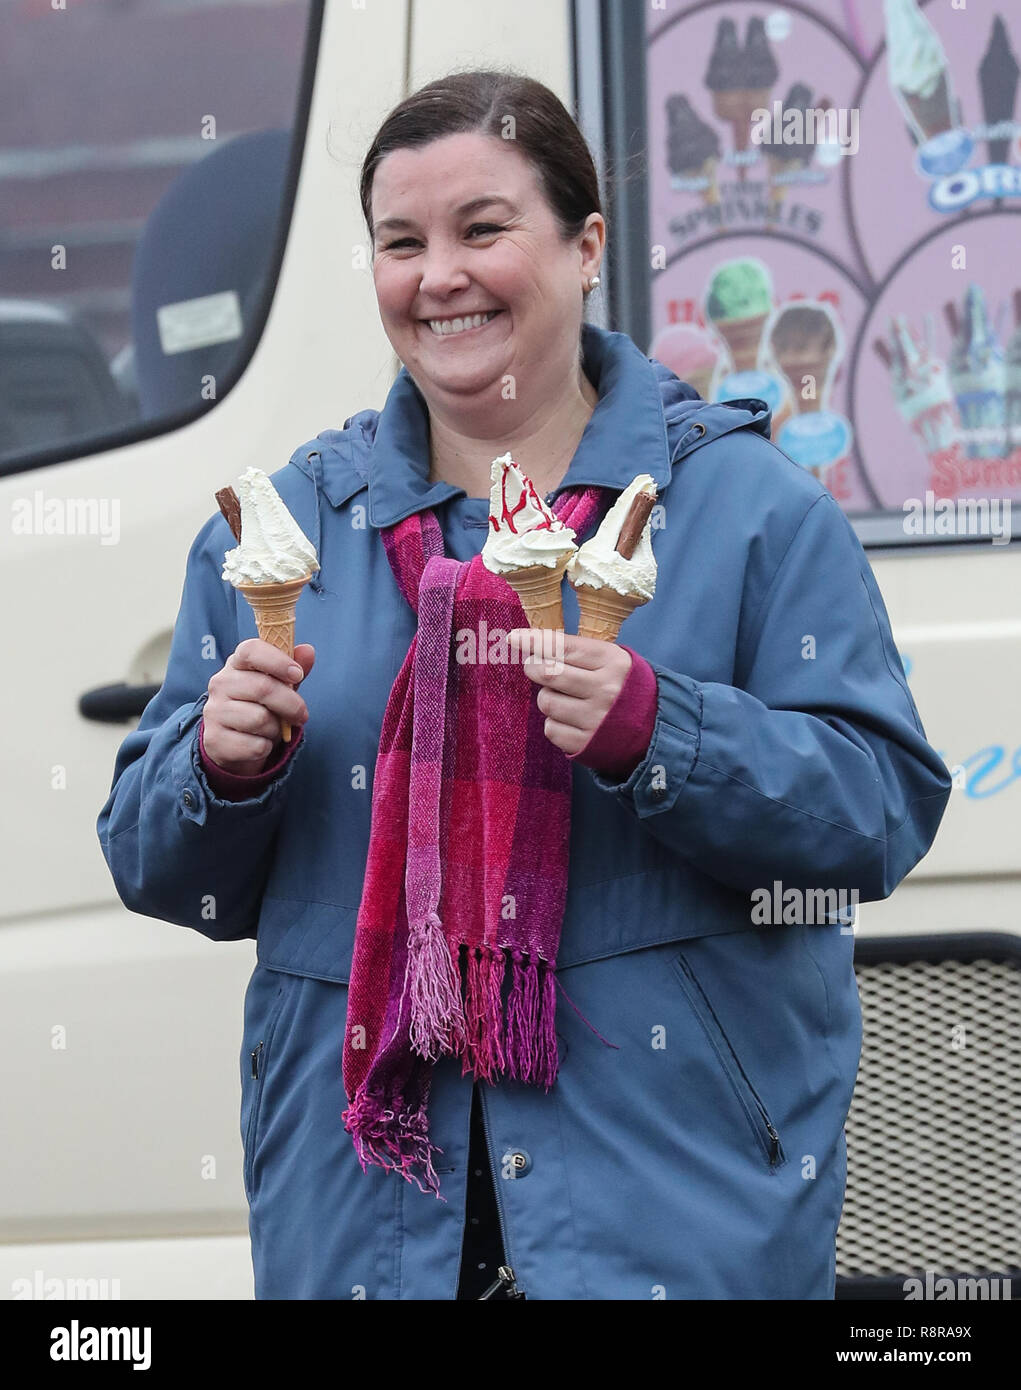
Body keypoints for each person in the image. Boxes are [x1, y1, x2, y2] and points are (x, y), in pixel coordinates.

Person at [98, 70, 952, 1301]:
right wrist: (215, 771)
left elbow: (876, 811)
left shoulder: (746, 512)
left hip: (670, 1218)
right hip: (365, 1218)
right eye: (402, 243)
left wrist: (662, 732)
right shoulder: (289, 527)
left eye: (482, 229)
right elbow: (148, 859)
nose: (437, 276)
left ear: (586, 243)